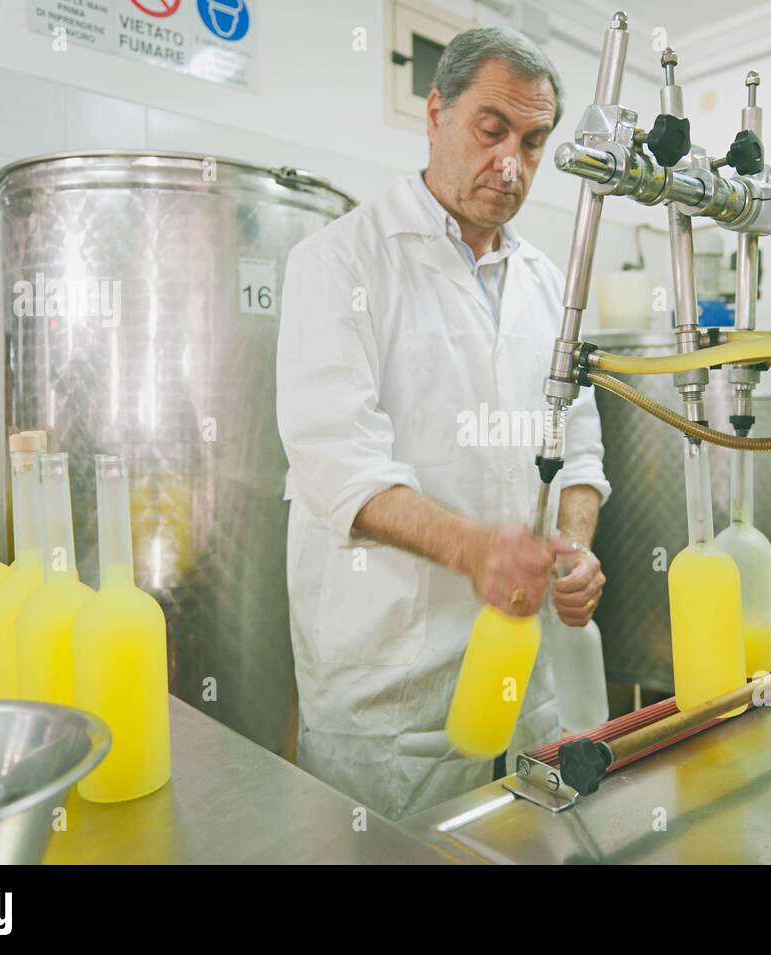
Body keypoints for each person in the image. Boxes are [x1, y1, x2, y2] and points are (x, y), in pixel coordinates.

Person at [276, 26, 610, 821]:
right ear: (435, 111)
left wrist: (575, 545)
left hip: (520, 680)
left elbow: (581, 450)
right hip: (392, 697)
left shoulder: (546, 286)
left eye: (532, 143)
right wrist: (477, 550)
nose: (510, 163)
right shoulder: (340, 262)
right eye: (491, 130)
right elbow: (338, 469)